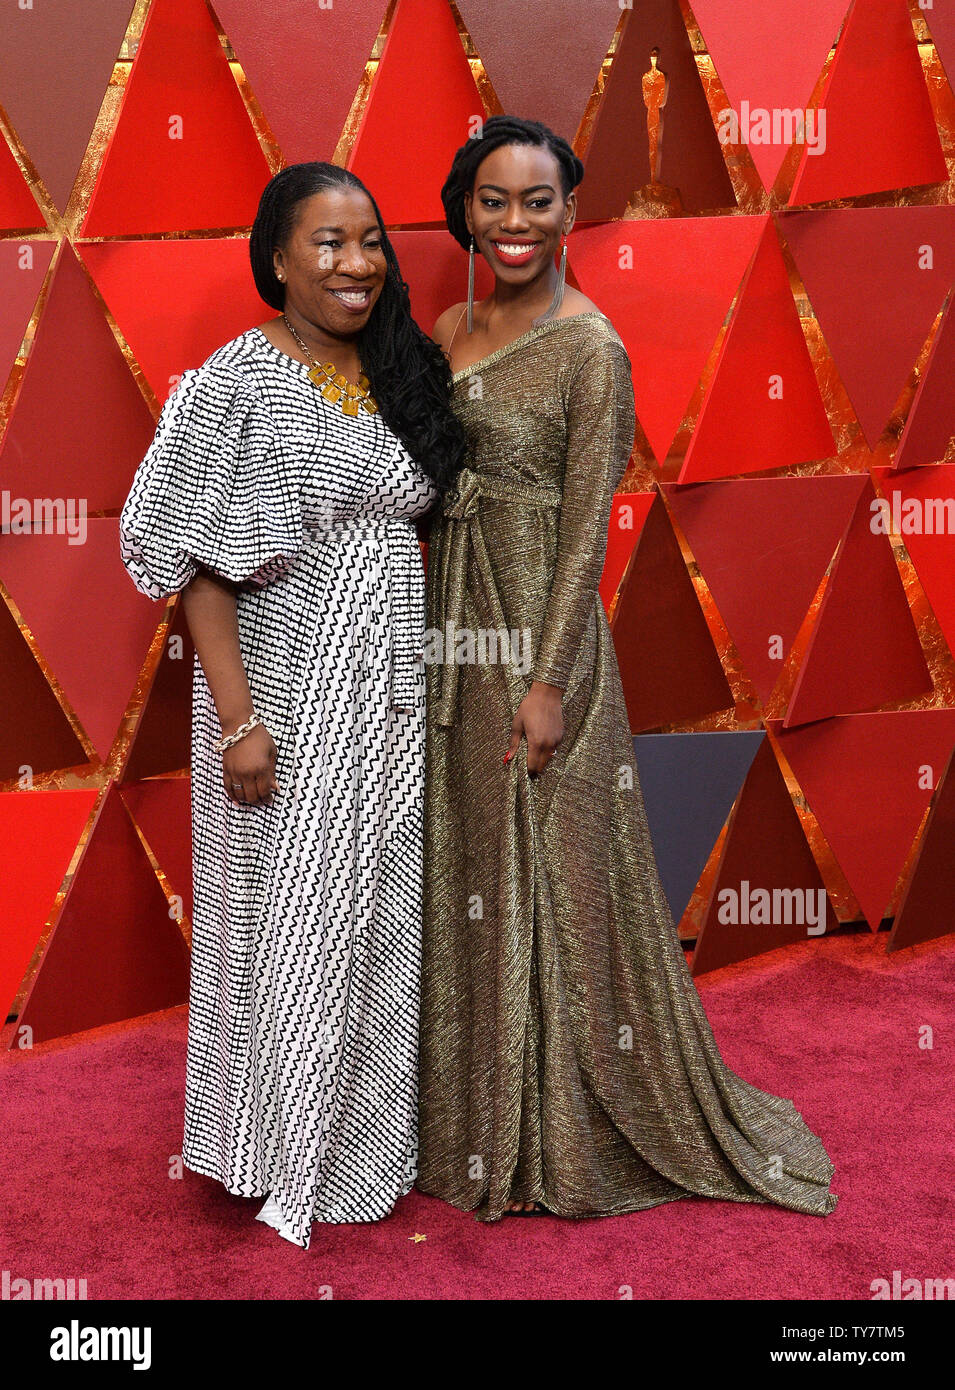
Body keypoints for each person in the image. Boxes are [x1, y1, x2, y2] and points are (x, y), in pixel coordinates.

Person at [417, 116, 838, 1222]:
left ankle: (559, 1128)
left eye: (539, 201)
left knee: (552, 880)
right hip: (451, 631)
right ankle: (466, 1117)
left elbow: (585, 538)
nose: (516, 222)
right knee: (470, 866)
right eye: (495, 201)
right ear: (465, 208)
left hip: (535, 643)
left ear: (569, 210)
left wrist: (547, 680)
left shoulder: (591, 347)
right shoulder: (451, 323)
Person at [119, 162, 463, 1249]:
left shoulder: (404, 366)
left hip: (389, 698)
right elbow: (198, 572)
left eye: (370, 239)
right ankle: (270, 1152)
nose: (357, 262)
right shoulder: (235, 381)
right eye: (327, 242)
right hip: (284, 695)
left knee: (373, 915)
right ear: (275, 257)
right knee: (286, 920)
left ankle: (358, 1154)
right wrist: (237, 719)